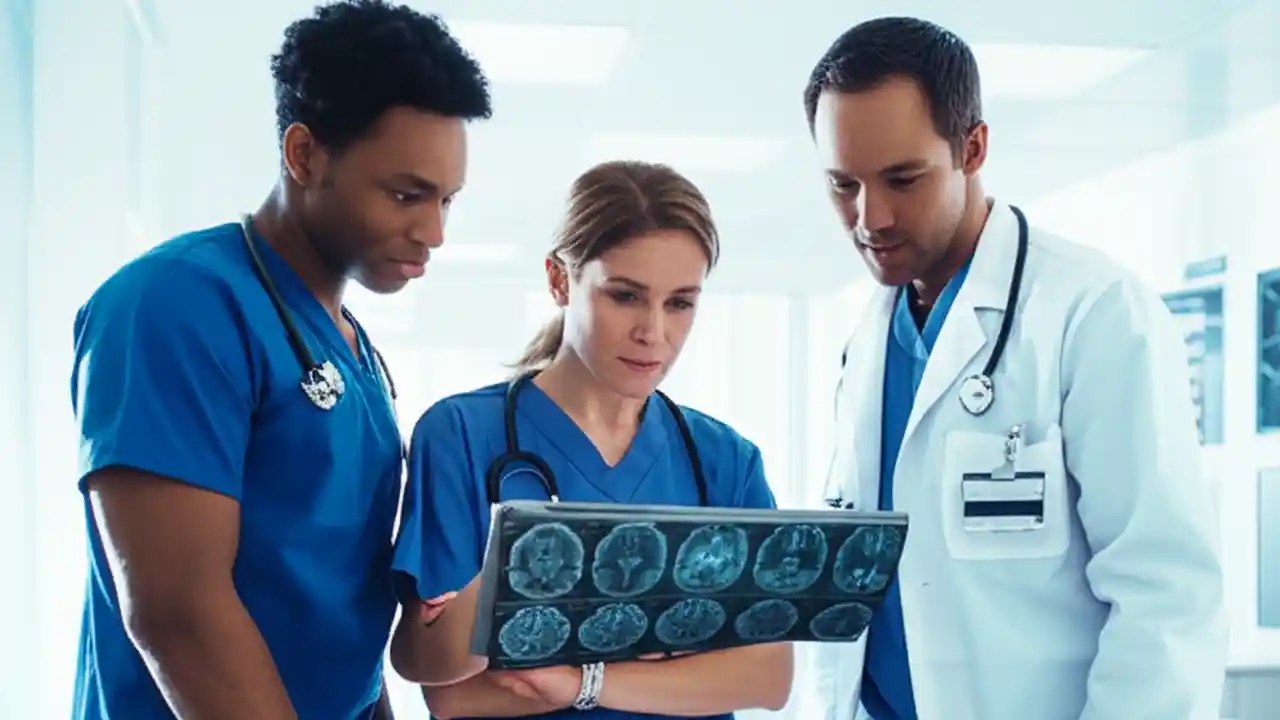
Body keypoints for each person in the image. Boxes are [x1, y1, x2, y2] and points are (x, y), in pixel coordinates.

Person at [67, 2, 491, 718]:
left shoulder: (354, 350)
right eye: (405, 194)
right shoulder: (175, 305)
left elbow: (340, 616)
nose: (434, 231)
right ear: (303, 155)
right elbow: (178, 613)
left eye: (447, 199)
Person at [803, 16, 1227, 720]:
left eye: (902, 179)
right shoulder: (868, 339)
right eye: (842, 184)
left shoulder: (1093, 314)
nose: (868, 217)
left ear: (973, 148)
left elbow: (1166, 597)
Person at [387, 160, 795, 719]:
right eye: (625, 296)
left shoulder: (726, 462)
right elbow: (450, 690)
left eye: (680, 302)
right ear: (560, 280)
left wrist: (580, 680)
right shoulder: (462, 435)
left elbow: (767, 677)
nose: (653, 332)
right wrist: (669, 658)